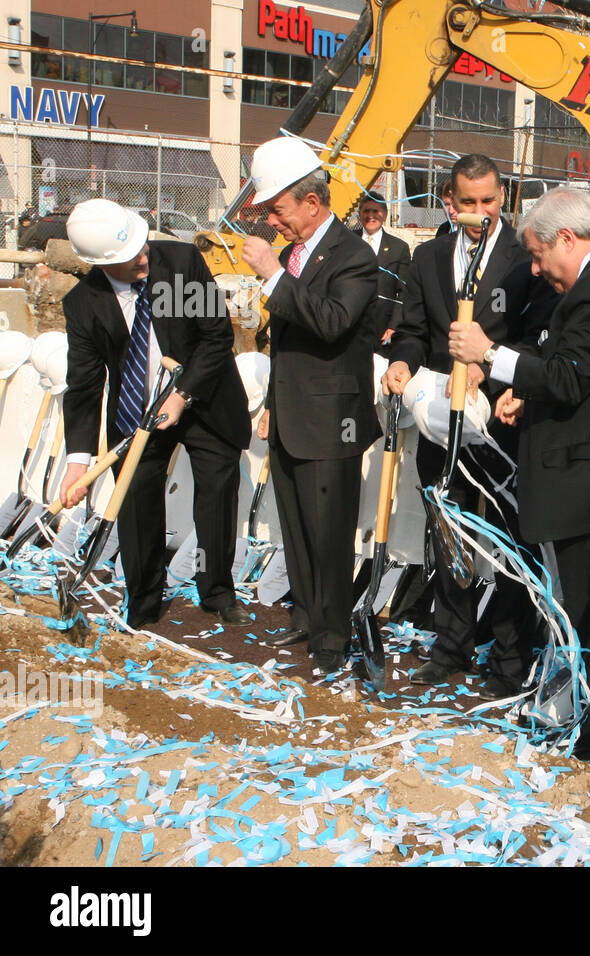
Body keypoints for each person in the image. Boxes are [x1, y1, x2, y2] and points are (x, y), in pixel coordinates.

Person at [448, 185, 590, 755]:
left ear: (566, 239)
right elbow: (584, 372)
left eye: (539, 254)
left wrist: (490, 356)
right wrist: (528, 389)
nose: (536, 268)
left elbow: (571, 378)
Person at [383, 153, 555, 693]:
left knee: (508, 536)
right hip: (440, 416)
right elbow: (413, 328)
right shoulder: (428, 256)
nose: (479, 212)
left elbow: (539, 334)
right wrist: (402, 361)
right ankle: (451, 643)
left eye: (489, 201)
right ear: (448, 203)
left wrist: (494, 369)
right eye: (468, 203)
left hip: (501, 418)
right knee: (447, 530)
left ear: (502, 198)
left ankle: (509, 655)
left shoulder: (523, 255)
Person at [60, 199, 251, 629]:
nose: (145, 257)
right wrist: (77, 462)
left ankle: (218, 591)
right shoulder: (83, 305)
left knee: (216, 498)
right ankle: (144, 603)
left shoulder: (181, 262)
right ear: (101, 264)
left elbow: (217, 337)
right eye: (132, 259)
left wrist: (182, 395)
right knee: (136, 502)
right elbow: (85, 386)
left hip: (204, 398)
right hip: (136, 408)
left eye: (144, 247)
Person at [240, 137, 380, 675]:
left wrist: (273, 275)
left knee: (329, 529)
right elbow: (288, 345)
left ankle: (332, 632)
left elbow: (329, 322)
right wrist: (272, 403)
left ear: (311, 202)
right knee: (294, 524)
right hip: (292, 412)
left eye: (278, 209)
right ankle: (304, 611)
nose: (274, 221)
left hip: (332, 418)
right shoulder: (299, 252)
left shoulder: (353, 256)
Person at [353, 192, 411, 351]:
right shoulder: (347, 241)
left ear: (384, 215)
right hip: (351, 326)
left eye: (376, 211)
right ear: (360, 214)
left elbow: (403, 291)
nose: (371, 215)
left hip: (382, 330)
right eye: (366, 211)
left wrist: (394, 325)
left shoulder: (399, 248)